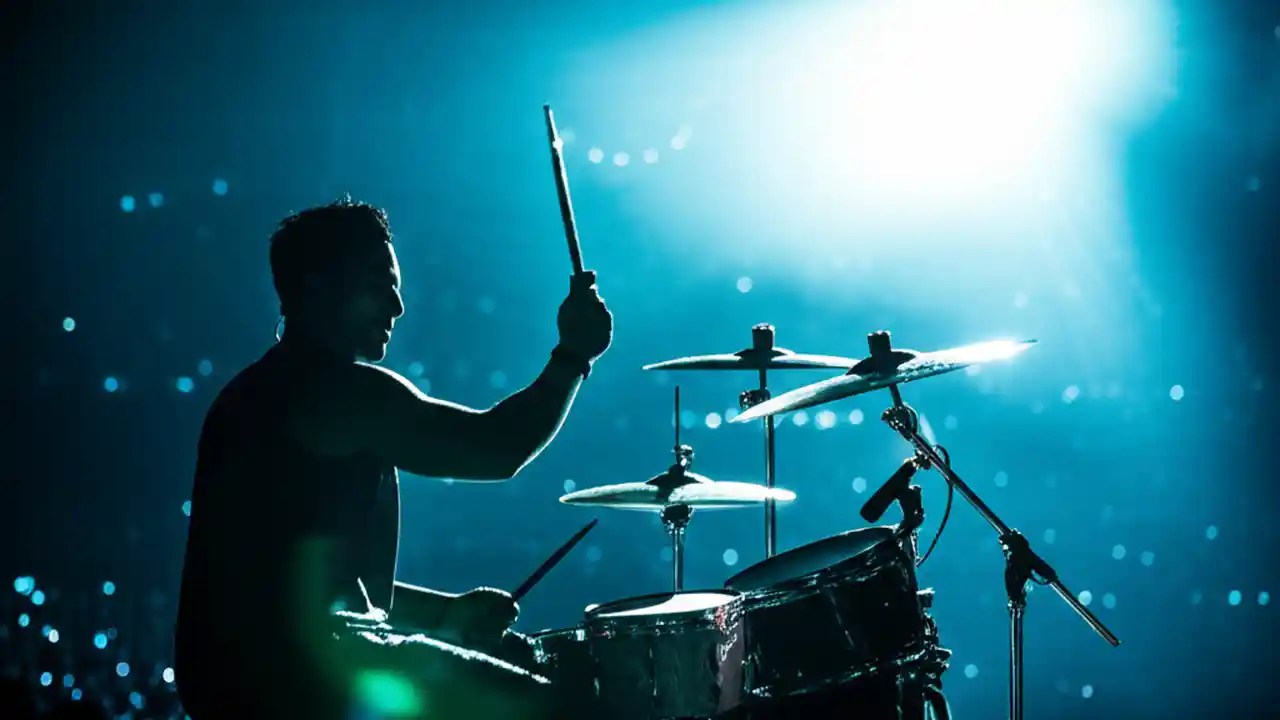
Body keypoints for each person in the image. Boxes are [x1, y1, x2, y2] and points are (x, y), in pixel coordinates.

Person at [174, 198, 612, 719]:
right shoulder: (334, 393)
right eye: (379, 284)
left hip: (250, 681)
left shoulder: (251, 395)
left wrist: (446, 613)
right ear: (318, 284)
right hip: (300, 678)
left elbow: (311, 587)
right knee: (560, 705)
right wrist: (572, 356)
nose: (397, 305)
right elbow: (497, 447)